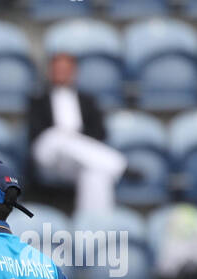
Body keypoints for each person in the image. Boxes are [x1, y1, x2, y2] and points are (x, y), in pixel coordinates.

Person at [27, 51, 125, 214]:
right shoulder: (37, 100)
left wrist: (74, 141)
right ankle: (117, 164)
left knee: (96, 174)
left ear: (74, 72)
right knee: (57, 138)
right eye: (57, 69)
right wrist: (66, 138)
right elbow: (36, 135)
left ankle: (92, 226)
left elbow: (100, 133)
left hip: (75, 160)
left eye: (65, 70)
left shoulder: (88, 101)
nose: (61, 74)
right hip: (49, 155)